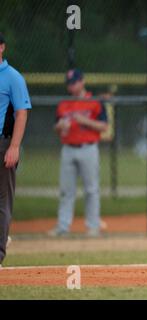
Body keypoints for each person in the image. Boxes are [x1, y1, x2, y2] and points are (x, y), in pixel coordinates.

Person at [48, 69, 108, 237]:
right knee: (66, 191)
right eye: (69, 83)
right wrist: (59, 126)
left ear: (82, 81)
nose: (71, 86)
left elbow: (104, 126)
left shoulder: (94, 102)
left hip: (88, 148)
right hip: (68, 149)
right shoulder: (64, 103)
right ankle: (63, 227)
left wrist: (85, 121)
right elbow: (55, 127)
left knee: (91, 189)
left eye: (74, 82)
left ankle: (93, 227)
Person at [0, 32, 32, 266]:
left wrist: (14, 146)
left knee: (2, 200)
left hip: (3, 143)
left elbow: (21, 112)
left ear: (2, 47)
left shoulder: (13, 77)